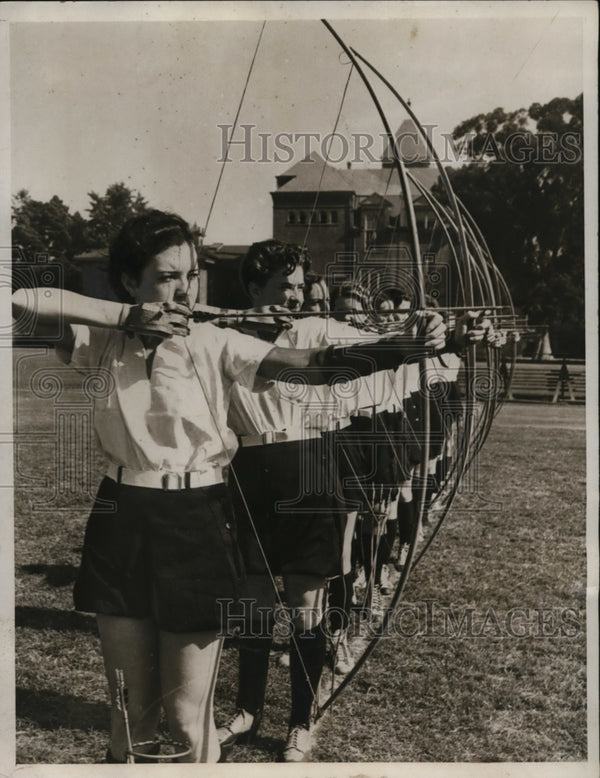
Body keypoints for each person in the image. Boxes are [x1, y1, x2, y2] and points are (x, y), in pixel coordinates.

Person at [12, 212, 444, 764]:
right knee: (127, 711)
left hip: (196, 514)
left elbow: (309, 365)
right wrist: (127, 318)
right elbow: (20, 301)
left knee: (187, 719)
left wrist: (401, 348)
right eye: (167, 276)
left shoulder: (215, 339)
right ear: (128, 281)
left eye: (190, 276)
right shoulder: (102, 340)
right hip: (122, 512)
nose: (184, 289)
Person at [217, 241, 447, 762]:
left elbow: (373, 339)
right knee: (254, 606)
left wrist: (427, 330)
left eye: (300, 288)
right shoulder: (221, 337)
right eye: (283, 289)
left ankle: (300, 721)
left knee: (304, 607)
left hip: (311, 467)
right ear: (253, 289)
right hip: (250, 473)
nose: (295, 298)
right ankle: (247, 712)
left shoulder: (317, 331)